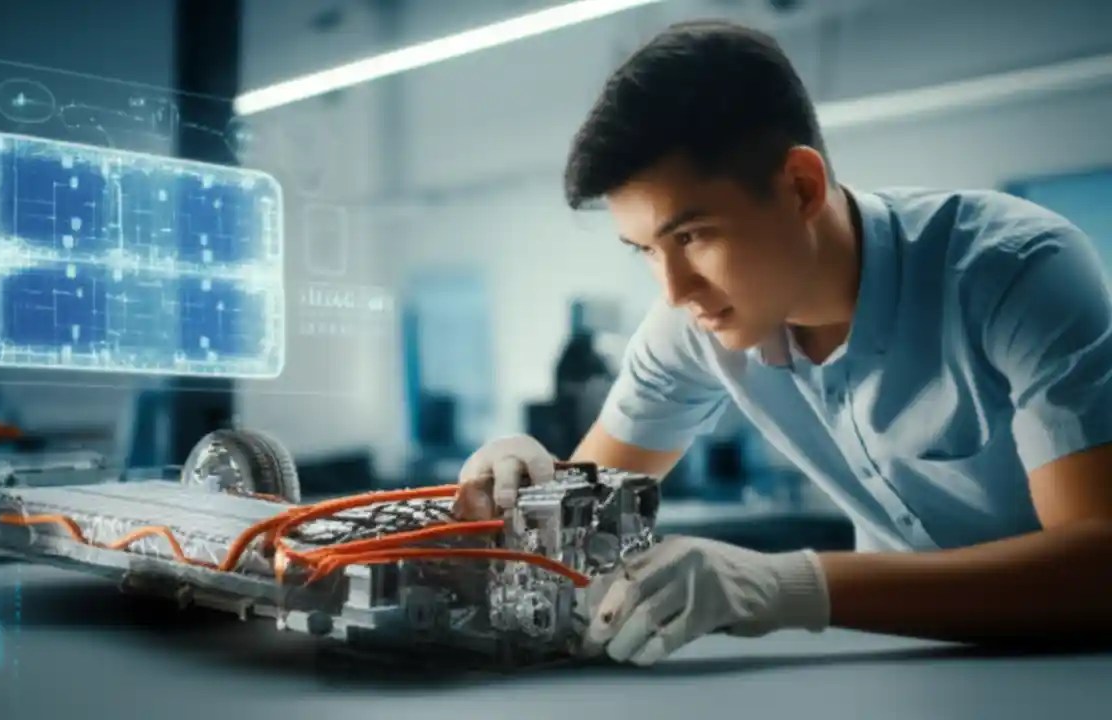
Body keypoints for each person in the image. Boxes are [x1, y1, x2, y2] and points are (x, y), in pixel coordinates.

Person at [452, 20, 1112, 666]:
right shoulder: (689, 325)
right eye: (646, 251)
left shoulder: (1015, 269)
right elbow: (582, 519)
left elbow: (1097, 564)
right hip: (905, 666)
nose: (675, 287)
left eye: (692, 236)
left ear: (801, 186)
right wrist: (527, 478)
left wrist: (785, 585)